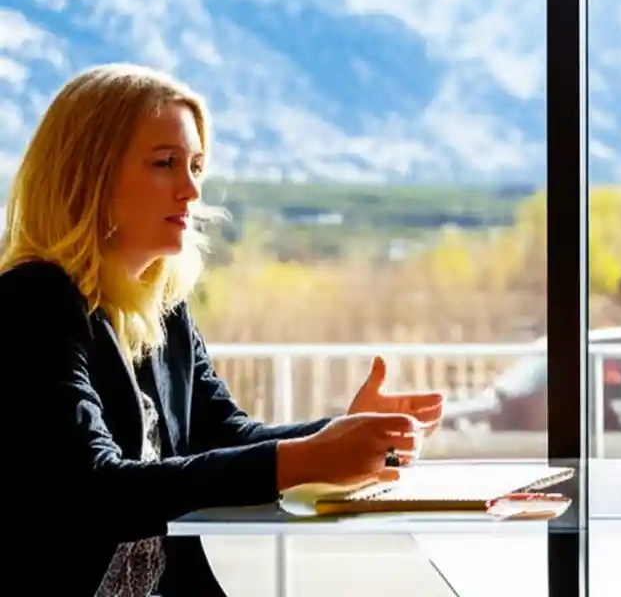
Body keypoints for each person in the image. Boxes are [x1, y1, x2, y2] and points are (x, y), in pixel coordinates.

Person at [4, 63, 447, 596]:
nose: (192, 190)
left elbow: (231, 438)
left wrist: (347, 433)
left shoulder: (164, 307)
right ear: (87, 174)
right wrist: (311, 456)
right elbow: (96, 488)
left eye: (196, 165)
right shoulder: (33, 301)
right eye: (165, 164)